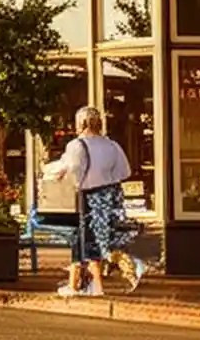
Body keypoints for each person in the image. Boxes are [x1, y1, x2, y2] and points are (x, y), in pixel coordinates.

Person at [44, 106, 145, 296]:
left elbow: (72, 169)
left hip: (88, 197)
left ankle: (94, 285)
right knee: (102, 238)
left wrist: (60, 174)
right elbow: (124, 172)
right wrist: (106, 177)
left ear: (80, 123)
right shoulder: (112, 145)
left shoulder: (77, 145)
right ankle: (79, 283)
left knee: (84, 238)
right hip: (111, 196)